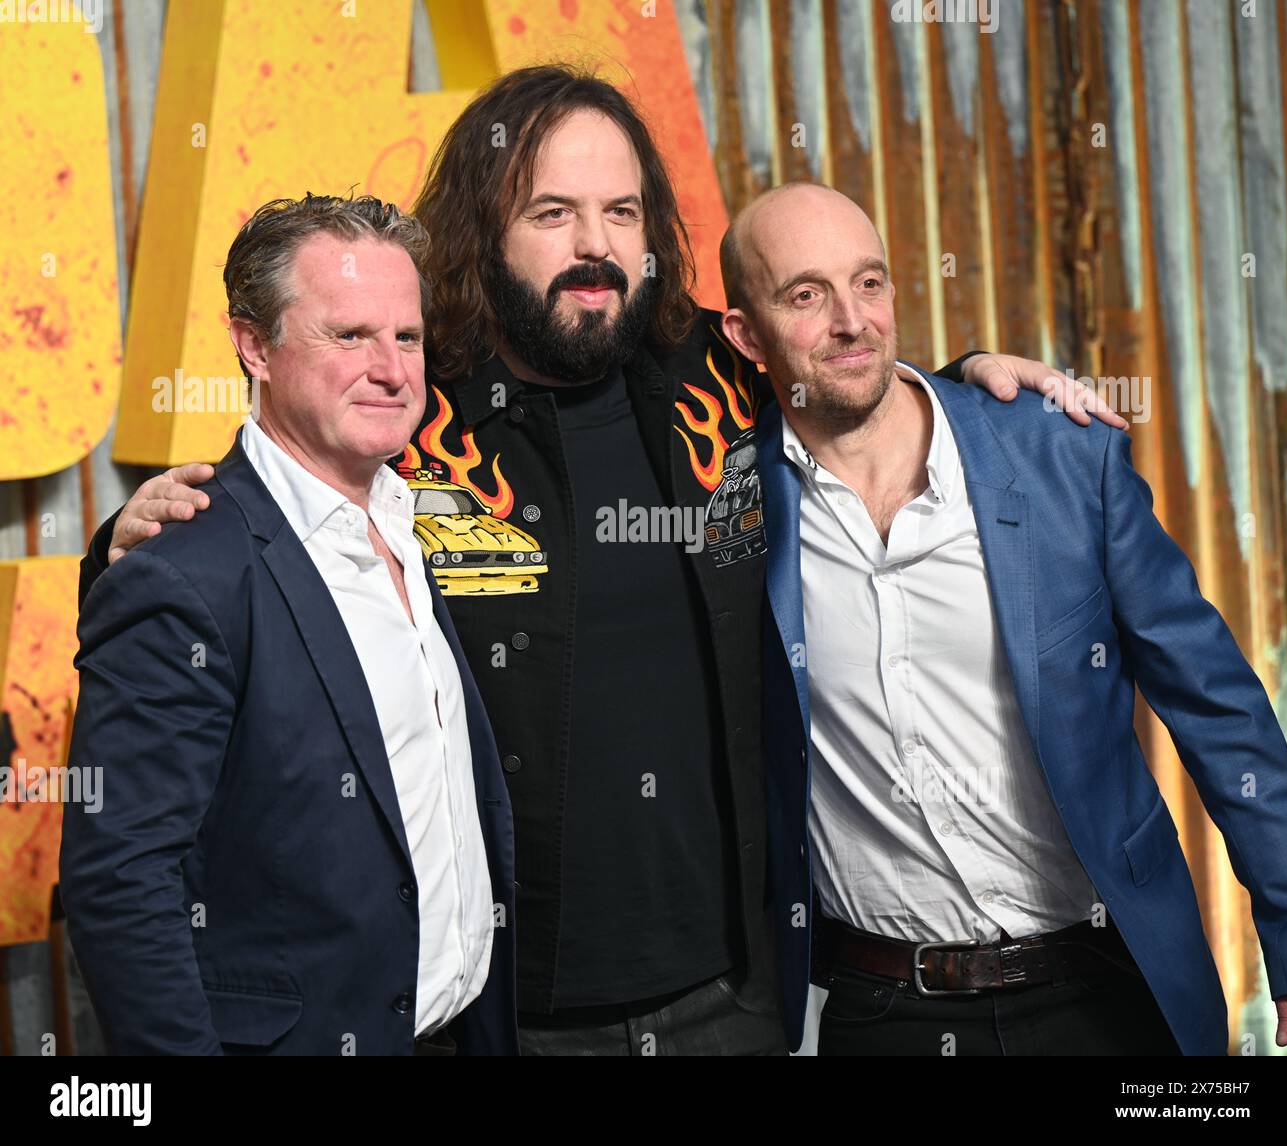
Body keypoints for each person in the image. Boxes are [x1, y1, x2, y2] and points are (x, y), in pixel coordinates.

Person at [82, 66, 1123, 1056]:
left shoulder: (719, 375)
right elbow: (269, 535)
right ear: (485, 229)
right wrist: (121, 544)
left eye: (621, 213)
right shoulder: (405, 396)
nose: (594, 245)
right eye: (552, 214)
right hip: (504, 1012)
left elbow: (844, 370)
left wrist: (969, 389)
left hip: (728, 995)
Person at [721, 181, 1287, 1055]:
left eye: (869, 283)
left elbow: (1219, 706)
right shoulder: (728, 502)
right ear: (743, 333)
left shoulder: (1063, 459)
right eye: (805, 296)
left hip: (1106, 988)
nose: (851, 320)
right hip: (883, 1013)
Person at [61, 194, 516, 1056]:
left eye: (408, 338)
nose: (392, 369)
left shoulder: (417, 523)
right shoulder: (182, 570)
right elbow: (120, 885)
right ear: (253, 345)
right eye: (348, 336)